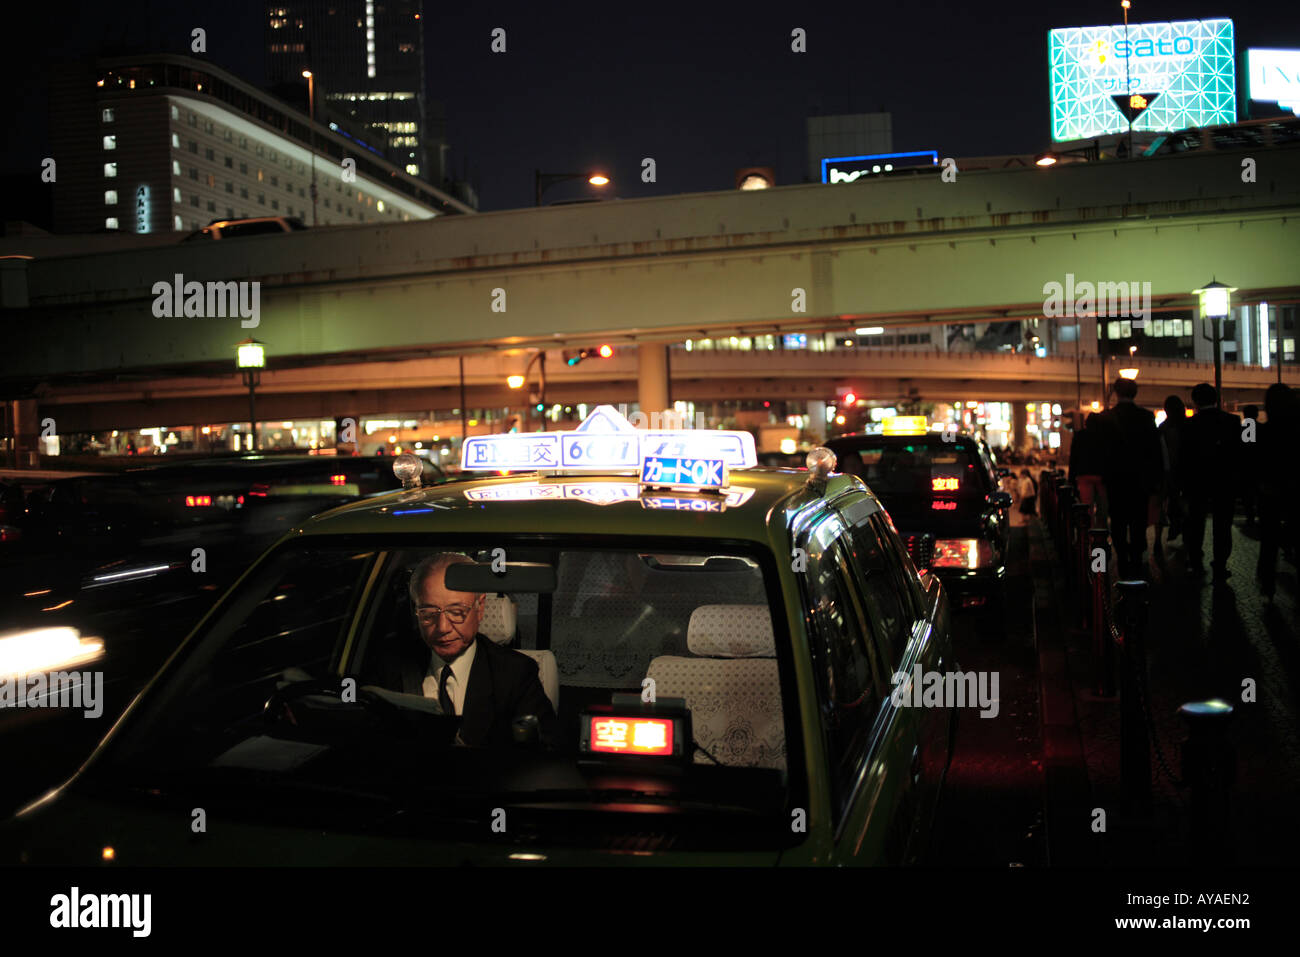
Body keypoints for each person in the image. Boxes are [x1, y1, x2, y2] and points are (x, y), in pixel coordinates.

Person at [401, 553, 557, 747]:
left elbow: (542, 752)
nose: (442, 627)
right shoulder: (391, 666)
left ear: (480, 607)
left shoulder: (516, 673)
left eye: (457, 612)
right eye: (428, 614)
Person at [1180, 383, 1241, 583]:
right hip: (1224, 480)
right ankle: (1220, 563)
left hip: (1197, 481)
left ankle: (1196, 560)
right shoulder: (1232, 421)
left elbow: (1184, 458)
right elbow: (1240, 451)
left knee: (1196, 523)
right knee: (1222, 524)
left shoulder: (1189, 425)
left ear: (1195, 402)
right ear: (1216, 399)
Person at [1101, 378, 1161, 579]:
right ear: (1135, 393)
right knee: (1138, 520)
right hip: (1140, 479)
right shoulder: (1146, 417)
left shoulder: (1107, 417)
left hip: (1116, 479)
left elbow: (1102, 451)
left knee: (1117, 519)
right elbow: (1155, 451)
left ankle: (1122, 556)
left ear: (1116, 393)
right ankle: (1136, 556)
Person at [1256, 384, 1299, 599]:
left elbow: (1248, 456)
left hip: (1269, 490)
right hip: (1294, 489)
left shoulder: (1255, 429)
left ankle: (1266, 581)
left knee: (1269, 538)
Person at [1154, 395, 1188, 565]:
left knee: (1161, 505)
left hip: (1165, 473)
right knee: (1186, 505)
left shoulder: (1162, 428)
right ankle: (1189, 540)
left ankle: (1157, 540)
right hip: (1185, 473)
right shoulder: (1188, 426)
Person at [1069, 411, 1110, 526]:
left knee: (1087, 507)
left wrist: (1071, 479)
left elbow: (1074, 459)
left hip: (1084, 475)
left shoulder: (1079, 436)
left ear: (1086, 423)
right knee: (1103, 507)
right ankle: (1102, 532)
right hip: (1101, 476)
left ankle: (1088, 534)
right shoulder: (1105, 436)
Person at [1239, 403, 1261, 532]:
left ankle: (1250, 518)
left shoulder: (1244, 428)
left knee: (1248, 496)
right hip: (1257, 468)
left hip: (1246, 469)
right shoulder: (1259, 428)